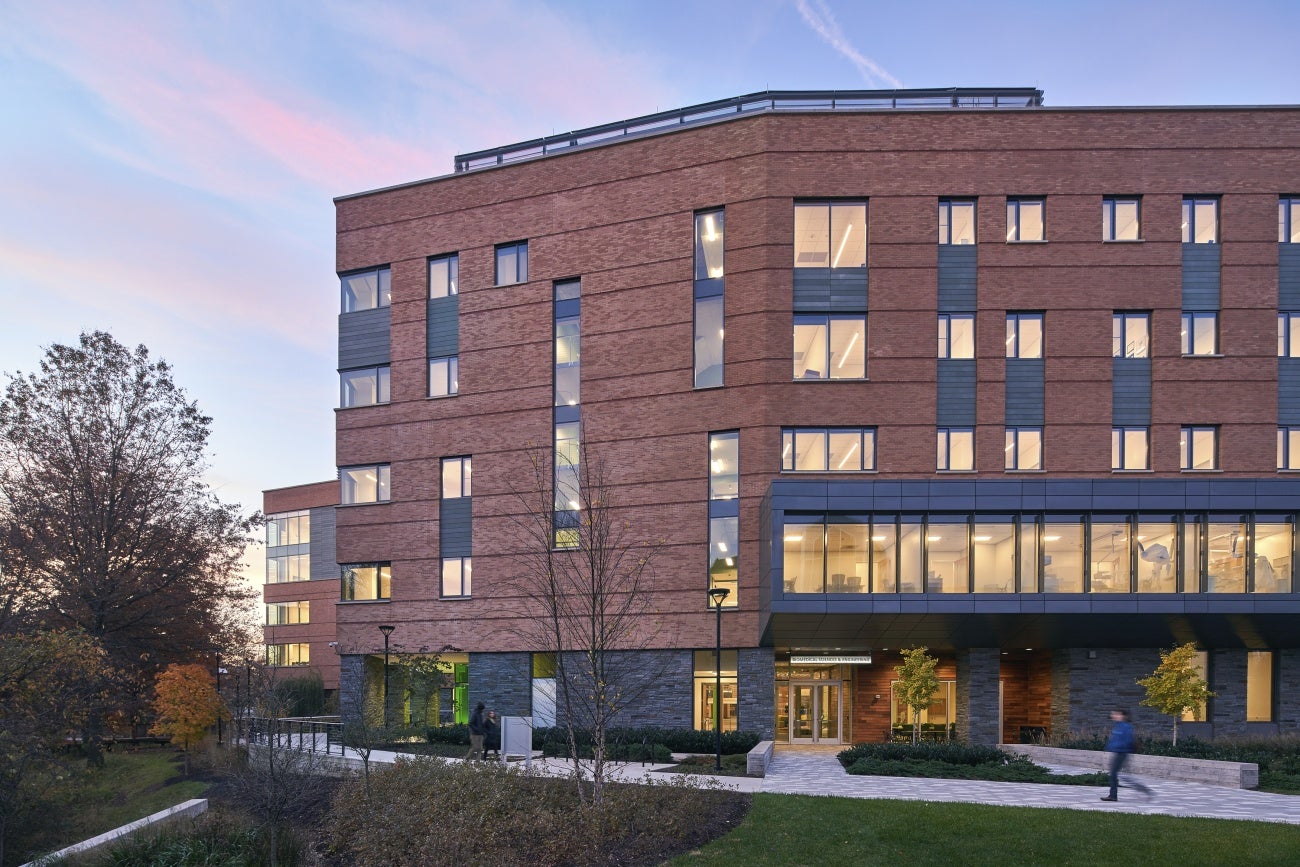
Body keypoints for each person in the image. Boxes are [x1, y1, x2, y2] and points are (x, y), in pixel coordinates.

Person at [1101, 708, 1152, 801]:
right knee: (1120, 776)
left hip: (1122, 753)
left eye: (1116, 714)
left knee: (1117, 775)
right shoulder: (1118, 726)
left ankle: (1114, 796)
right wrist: (1109, 746)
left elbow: (1127, 741)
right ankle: (1113, 795)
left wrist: (1115, 747)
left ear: (1122, 716)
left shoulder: (1126, 726)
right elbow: (1115, 740)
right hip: (1118, 753)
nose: (1113, 716)